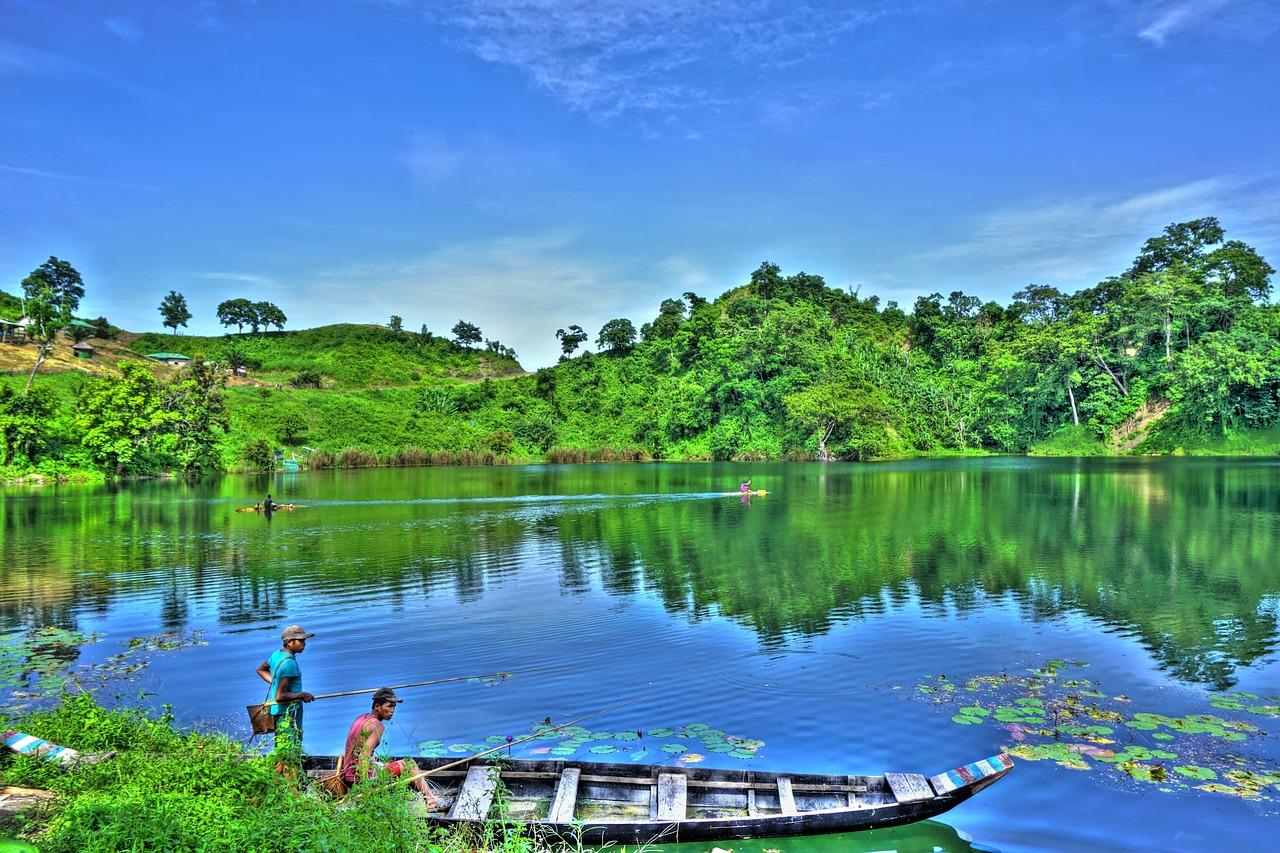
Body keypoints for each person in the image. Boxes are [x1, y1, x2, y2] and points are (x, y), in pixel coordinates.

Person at [341, 688, 436, 805]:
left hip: (349, 774)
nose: (392, 710)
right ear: (377, 707)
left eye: (394, 707)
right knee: (409, 764)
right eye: (389, 706)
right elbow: (363, 757)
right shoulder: (377, 726)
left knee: (390, 763)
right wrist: (364, 788)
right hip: (358, 779)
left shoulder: (362, 718)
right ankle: (431, 800)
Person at [256, 625, 316, 741]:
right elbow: (280, 696)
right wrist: (303, 695)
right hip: (288, 713)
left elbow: (261, 670)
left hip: (278, 711)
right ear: (289, 642)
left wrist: (275, 683)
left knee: (282, 744)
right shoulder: (289, 664)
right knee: (291, 746)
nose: (304, 644)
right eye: (301, 640)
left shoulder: (277, 655)